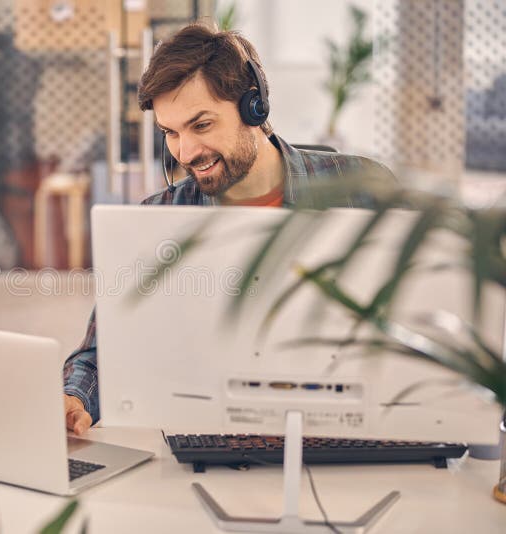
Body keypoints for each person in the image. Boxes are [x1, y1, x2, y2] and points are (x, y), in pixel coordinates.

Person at [63, 23, 393, 435]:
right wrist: (76, 397)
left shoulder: (364, 189)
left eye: (201, 125)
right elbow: (101, 349)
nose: (185, 152)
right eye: (171, 132)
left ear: (254, 107)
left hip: (350, 433)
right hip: (211, 438)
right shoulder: (156, 219)